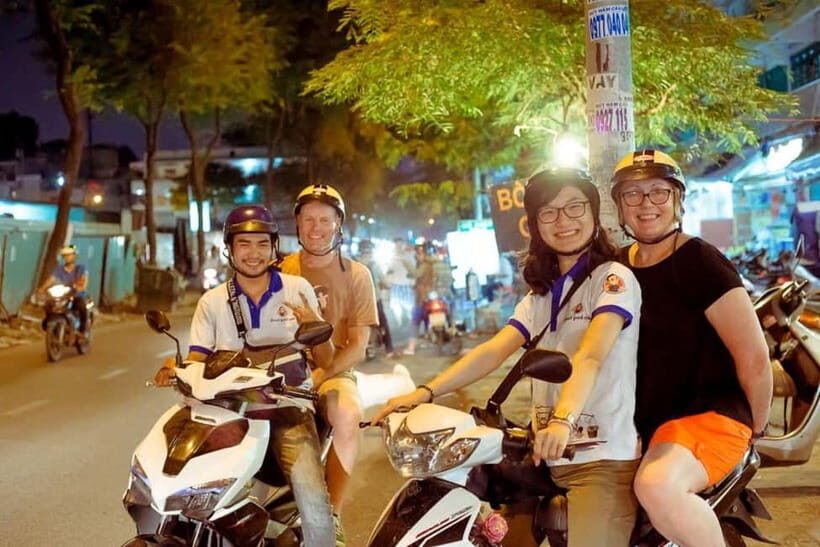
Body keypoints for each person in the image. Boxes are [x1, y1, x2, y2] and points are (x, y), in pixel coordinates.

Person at [373, 167, 643, 546]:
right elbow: (492, 351)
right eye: (548, 212)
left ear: (594, 214)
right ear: (534, 225)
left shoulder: (612, 279)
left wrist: (562, 420)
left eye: (575, 207)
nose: (563, 220)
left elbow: (591, 356)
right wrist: (424, 393)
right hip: (542, 458)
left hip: (600, 462)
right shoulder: (541, 295)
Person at [611, 149, 772, 547]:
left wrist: (757, 427)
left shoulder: (701, 261)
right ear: (620, 206)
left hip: (709, 416)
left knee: (657, 485)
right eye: (632, 194)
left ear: (677, 199)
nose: (646, 204)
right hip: (639, 424)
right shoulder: (616, 268)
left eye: (658, 192)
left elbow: (753, 358)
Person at [153, 205, 336, 547]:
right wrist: (174, 368)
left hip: (286, 409)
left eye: (262, 244)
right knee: (189, 483)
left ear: (273, 246)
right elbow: (198, 358)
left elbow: (326, 357)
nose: (254, 253)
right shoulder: (213, 301)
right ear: (230, 248)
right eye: (244, 244)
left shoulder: (297, 289)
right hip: (227, 411)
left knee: (312, 499)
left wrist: (314, 324)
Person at [279, 184, 378, 544]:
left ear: (339, 224)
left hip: (333, 372)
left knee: (348, 414)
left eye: (325, 219)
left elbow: (358, 346)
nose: (316, 228)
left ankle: (331, 515)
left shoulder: (357, 275)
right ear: (297, 223)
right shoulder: (280, 270)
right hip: (280, 371)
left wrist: (320, 376)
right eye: (308, 219)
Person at [39, 244, 90, 337]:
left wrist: (80, 287)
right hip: (63, 296)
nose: (67, 257)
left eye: (69, 255)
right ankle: (49, 325)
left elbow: (83, 281)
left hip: (76, 295)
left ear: (74, 256)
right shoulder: (59, 269)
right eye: (65, 256)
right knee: (48, 305)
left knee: (82, 307)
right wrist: (42, 288)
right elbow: (51, 279)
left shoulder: (80, 268)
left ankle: (82, 331)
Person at [357, 239, 396, 357]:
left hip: (358, 302)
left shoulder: (353, 265)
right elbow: (384, 281)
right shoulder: (375, 265)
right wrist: (387, 285)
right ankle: (389, 350)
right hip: (374, 301)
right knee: (383, 323)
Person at [403, 242, 436, 355]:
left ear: (425, 254)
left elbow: (417, 274)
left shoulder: (424, 265)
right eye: (417, 254)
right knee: (428, 320)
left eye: (420, 254)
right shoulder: (430, 264)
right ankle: (433, 340)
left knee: (415, 320)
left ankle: (411, 347)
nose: (418, 256)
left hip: (422, 297)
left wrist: (406, 263)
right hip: (430, 297)